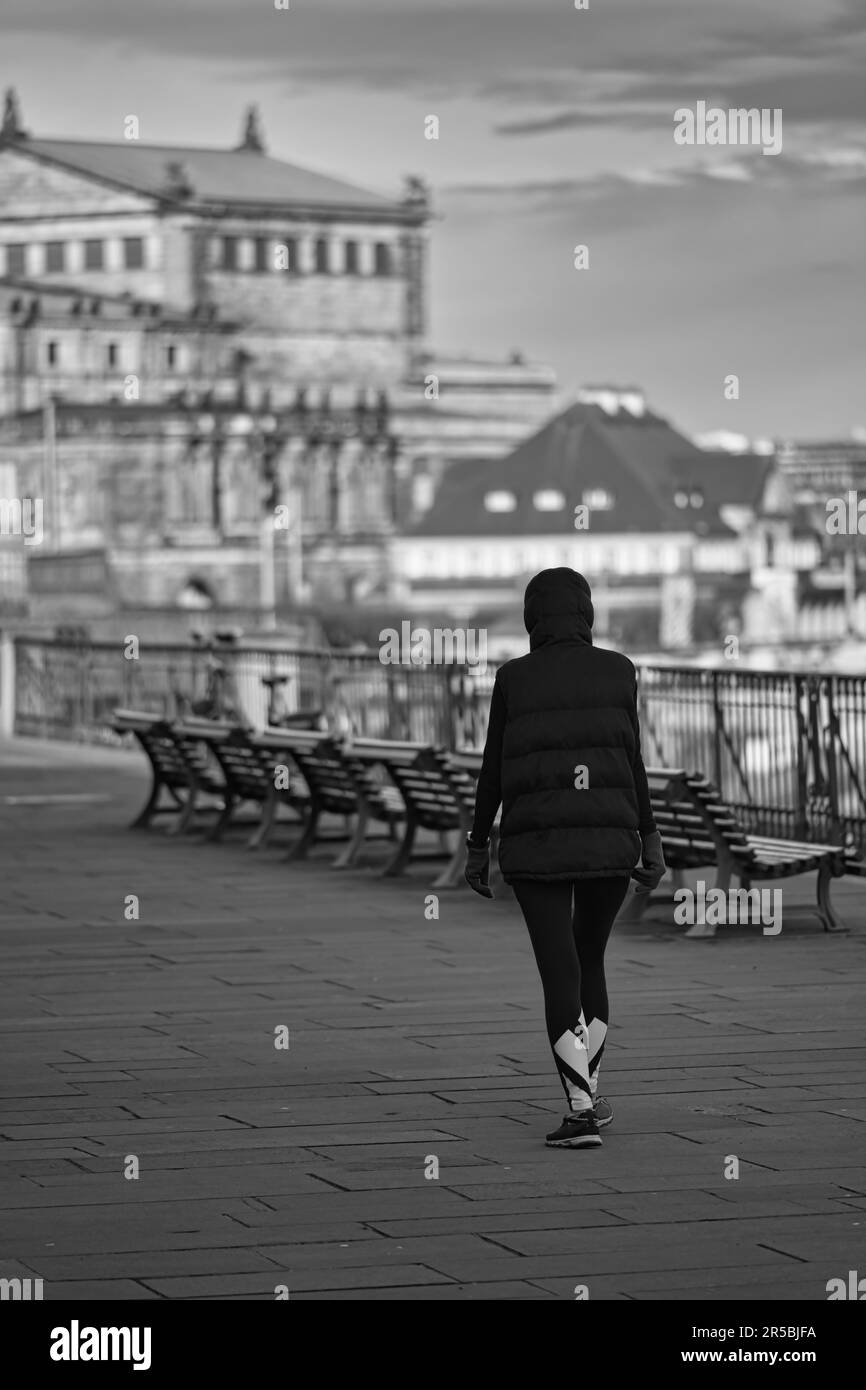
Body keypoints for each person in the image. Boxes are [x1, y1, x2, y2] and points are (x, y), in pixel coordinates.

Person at [464, 568, 665, 1148]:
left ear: (533, 617)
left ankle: (579, 1111)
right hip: (610, 842)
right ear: (585, 612)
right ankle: (589, 1097)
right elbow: (632, 761)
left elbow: (493, 769)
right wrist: (648, 838)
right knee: (590, 961)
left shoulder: (514, 679)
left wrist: (479, 844)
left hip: (537, 846)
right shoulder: (619, 671)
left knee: (559, 971)